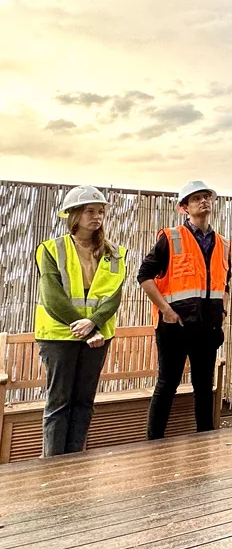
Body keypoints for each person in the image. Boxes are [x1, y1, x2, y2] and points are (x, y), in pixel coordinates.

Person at [34, 185, 126, 457]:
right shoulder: (52, 249)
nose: (96, 216)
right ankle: (52, 463)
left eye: (100, 211)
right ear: (73, 214)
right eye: (89, 211)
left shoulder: (114, 253)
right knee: (59, 402)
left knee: (84, 401)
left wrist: (95, 323)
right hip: (59, 336)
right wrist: (87, 331)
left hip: (98, 336)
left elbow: (113, 295)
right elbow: (53, 297)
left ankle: (74, 461)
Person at [138, 180, 230, 439]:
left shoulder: (223, 243)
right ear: (184, 207)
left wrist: (222, 312)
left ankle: (206, 440)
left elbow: (225, 283)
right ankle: (154, 441)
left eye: (206, 197)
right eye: (196, 198)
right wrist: (166, 310)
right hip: (174, 327)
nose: (204, 201)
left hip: (207, 327)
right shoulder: (170, 237)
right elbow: (144, 276)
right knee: (168, 384)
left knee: (204, 386)